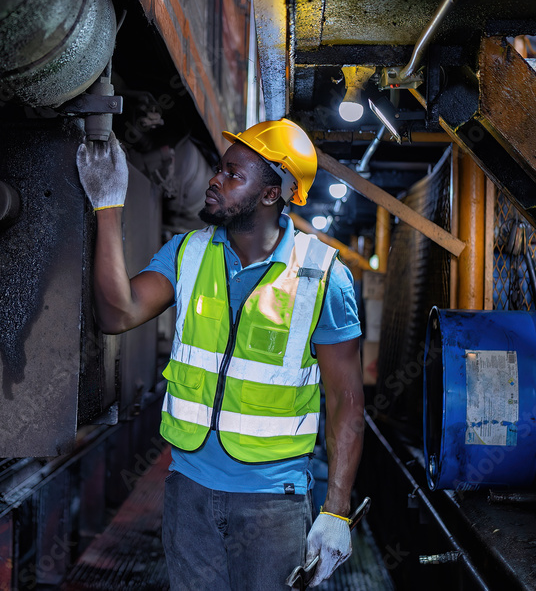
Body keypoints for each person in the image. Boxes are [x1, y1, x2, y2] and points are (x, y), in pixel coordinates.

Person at [76, 118, 365, 590]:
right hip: (188, 492)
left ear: (272, 195)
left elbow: (347, 405)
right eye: (219, 169)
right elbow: (117, 314)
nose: (215, 180)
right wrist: (108, 205)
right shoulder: (187, 252)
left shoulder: (322, 276)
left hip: (273, 504)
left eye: (234, 174)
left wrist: (337, 509)